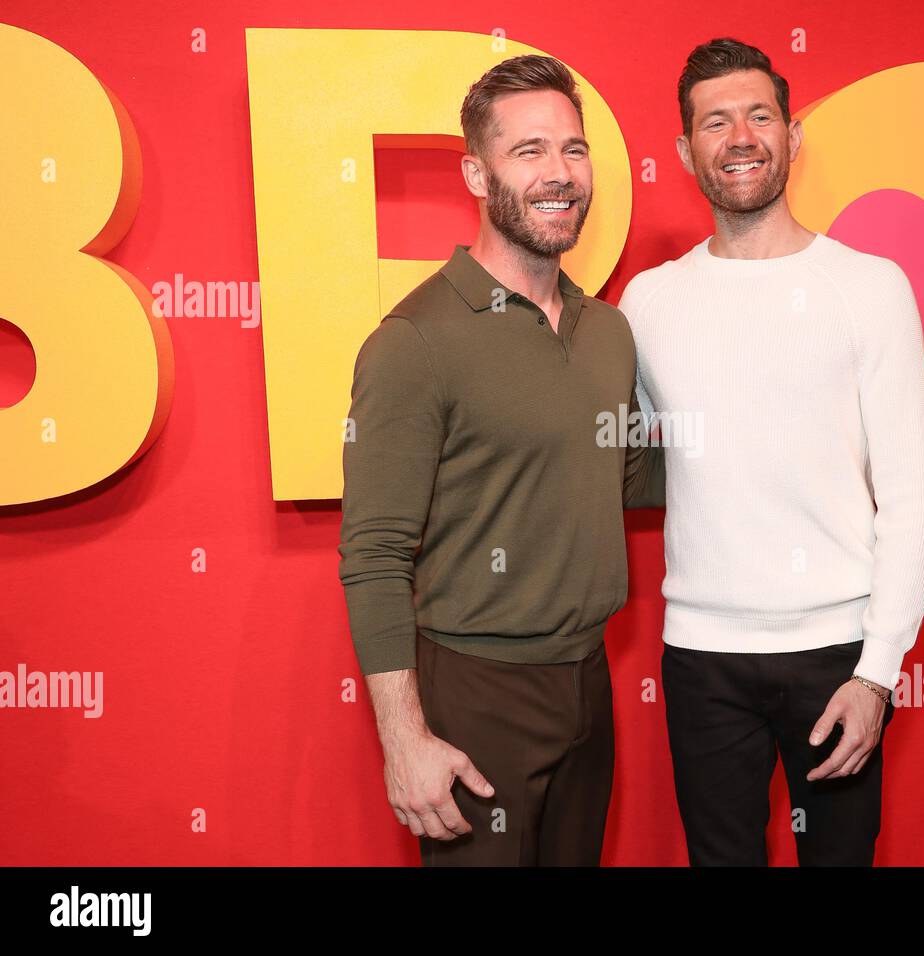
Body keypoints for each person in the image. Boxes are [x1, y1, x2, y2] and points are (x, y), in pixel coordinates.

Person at [619, 37, 924, 866]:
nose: (741, 137)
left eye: (761, 115)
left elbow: (909, 494)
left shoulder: (871, 287)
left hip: (838, 656)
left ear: (794, 135)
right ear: (686, 152)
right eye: (716, 122)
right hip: (702, 659)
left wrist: (877, 676)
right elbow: (633, 457)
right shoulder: (649, 303)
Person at [338, 54, 664, 866]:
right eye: (529, 151)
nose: (559, 173)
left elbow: (627, 478)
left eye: (574, 149)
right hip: (475, 696)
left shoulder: (608, 332)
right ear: (477, 175)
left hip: (589, 683)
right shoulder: (415, 341)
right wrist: (404, 739)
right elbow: (374, 557)